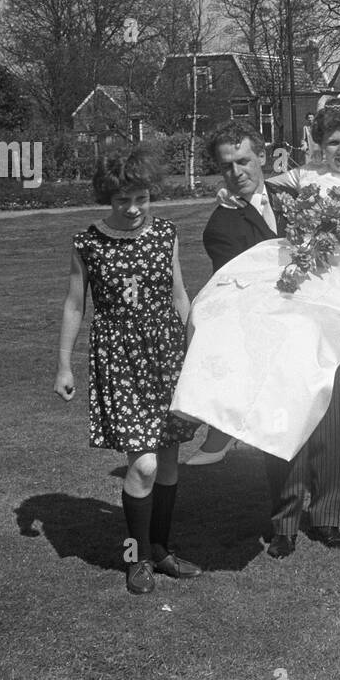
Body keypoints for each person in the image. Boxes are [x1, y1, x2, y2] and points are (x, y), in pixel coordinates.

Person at [171, 97, 340, 559]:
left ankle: (326, 516)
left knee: (330, 419)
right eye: (332, 141)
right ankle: (284, 523)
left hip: (331, 316)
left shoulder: (338, 190)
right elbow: (244, 275)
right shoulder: (267, 200)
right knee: (281, 422)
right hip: (278, 328)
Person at [54, 148, 200, 594]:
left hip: (167, 355)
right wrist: (63, 364)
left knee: (170, 461)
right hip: (119, 360)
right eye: (122, 200)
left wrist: (197, 355)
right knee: (144, 465)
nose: (133, 209)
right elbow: (76, 304)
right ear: (107, 198)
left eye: (141, 198)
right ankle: (136, 558)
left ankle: (160, 549)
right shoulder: (88, 244)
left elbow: (179, 296)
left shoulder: (166, 234)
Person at [184, 121, 282, 467]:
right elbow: (245, 290)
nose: (237, 172)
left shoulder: (292, 197)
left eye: (243, 161)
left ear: (262, 157)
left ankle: (324, 515)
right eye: (227, 165)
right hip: (266, 331)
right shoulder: (220, 227)